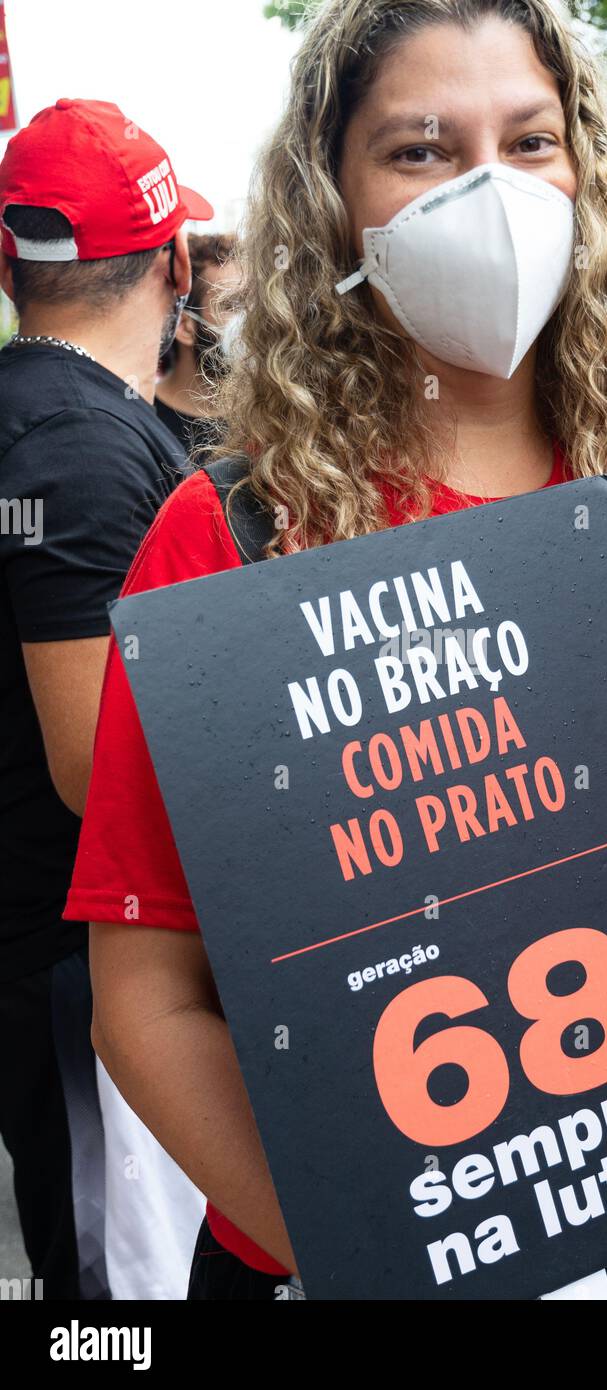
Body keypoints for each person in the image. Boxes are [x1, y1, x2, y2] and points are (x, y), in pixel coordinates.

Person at [67, 0, 607, 1301]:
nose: (489, 190)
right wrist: (374, 1251)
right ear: (334, 199)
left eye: (529, 141)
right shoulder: (238, 534)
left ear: (584, 175)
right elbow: (146, 998)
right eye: (420, 149)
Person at [0, 97, 211, 1299]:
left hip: (72, 952)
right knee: (117, 1290)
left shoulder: (67, 422)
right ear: (176, 258)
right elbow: (96, 767)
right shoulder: (77, 445)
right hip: (81, 966)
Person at [155, 232, 240, 462]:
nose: (249, 319)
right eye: (232, 305)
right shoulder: (143, 424)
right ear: (184, 326)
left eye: (255, 302)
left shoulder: (270, 420)